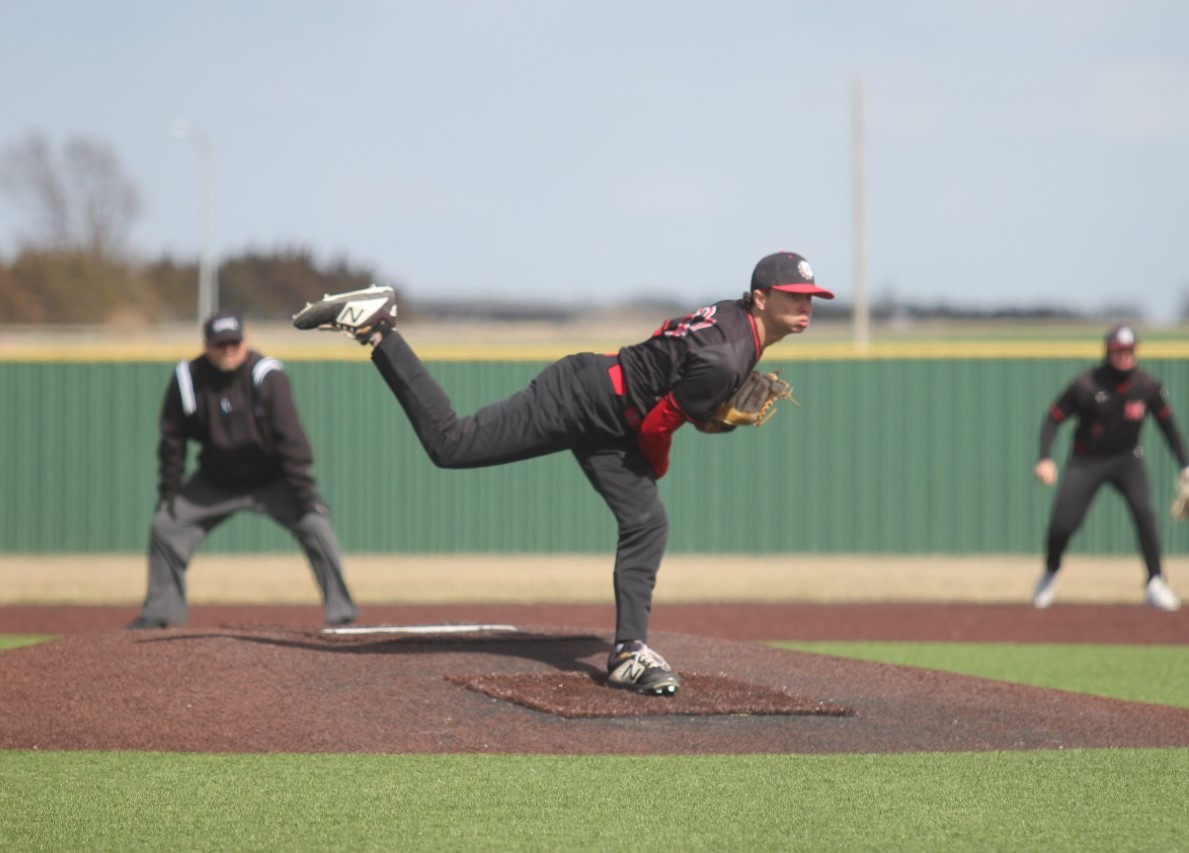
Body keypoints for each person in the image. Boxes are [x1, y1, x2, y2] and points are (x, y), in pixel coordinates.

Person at [291, 252, 833, 694]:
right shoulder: (729, 356)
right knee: (452, 444)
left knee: (647, 522)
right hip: (585, 399)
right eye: (793, 295)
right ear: (760, 298)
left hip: (610, 405)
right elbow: (656, 428)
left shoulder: (733, 321)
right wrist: (677, 446)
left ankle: (629, 653)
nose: (804, 305)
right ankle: (380, 328)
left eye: (810, 297)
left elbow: (665, 337)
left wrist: (694, 408)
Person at [127, 312, 358, 629]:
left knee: (316, 525)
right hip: (215, 480)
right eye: (220, 344)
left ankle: (342, 615)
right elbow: (173, 441)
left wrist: (305, 495)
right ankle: (161, 614)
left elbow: (292, 440)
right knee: (166, 525)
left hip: (271, 478)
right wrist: (169, 492)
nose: (228, 350)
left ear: (245, 342)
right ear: (206, 346)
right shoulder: (188, 378)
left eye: (234, 343)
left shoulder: (266, 375)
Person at [1031, 323, 1189, 611]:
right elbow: (1053, 418)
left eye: (1130, 350)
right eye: (1119, 350)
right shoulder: (1087, 384)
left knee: (1145, 514)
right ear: (1108, 352)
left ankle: (1156, 582)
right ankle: (1050, 571)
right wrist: (1045, 457)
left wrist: (1187, 466)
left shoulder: (1146, 386)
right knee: (1062, 525)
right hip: (1086, 461)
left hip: (1127, 459)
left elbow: (1168, 426)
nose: (1125, 356)